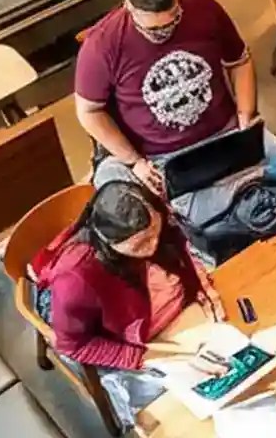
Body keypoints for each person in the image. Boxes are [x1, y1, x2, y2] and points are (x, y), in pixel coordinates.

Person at [29, 180, 225, 429]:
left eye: (155, 233)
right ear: (109, 243)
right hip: (109, 329)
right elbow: (74, 344)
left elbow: (179, 248)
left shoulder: (155, 220)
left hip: (162, 316)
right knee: (178, 415)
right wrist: (147, 356)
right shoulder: (77, 278)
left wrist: (201, 289)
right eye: (140, 245)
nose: (153, 245)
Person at [75, 0, 257, 197]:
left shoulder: (206, 10)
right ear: (129, 7)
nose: (164, 33)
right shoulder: (102, 45)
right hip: (158, 158)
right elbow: (89, 111)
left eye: (172, 21)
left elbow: (239, 61)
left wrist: (245, 115)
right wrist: (134, 161)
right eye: (153, 29)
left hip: (222, 135)